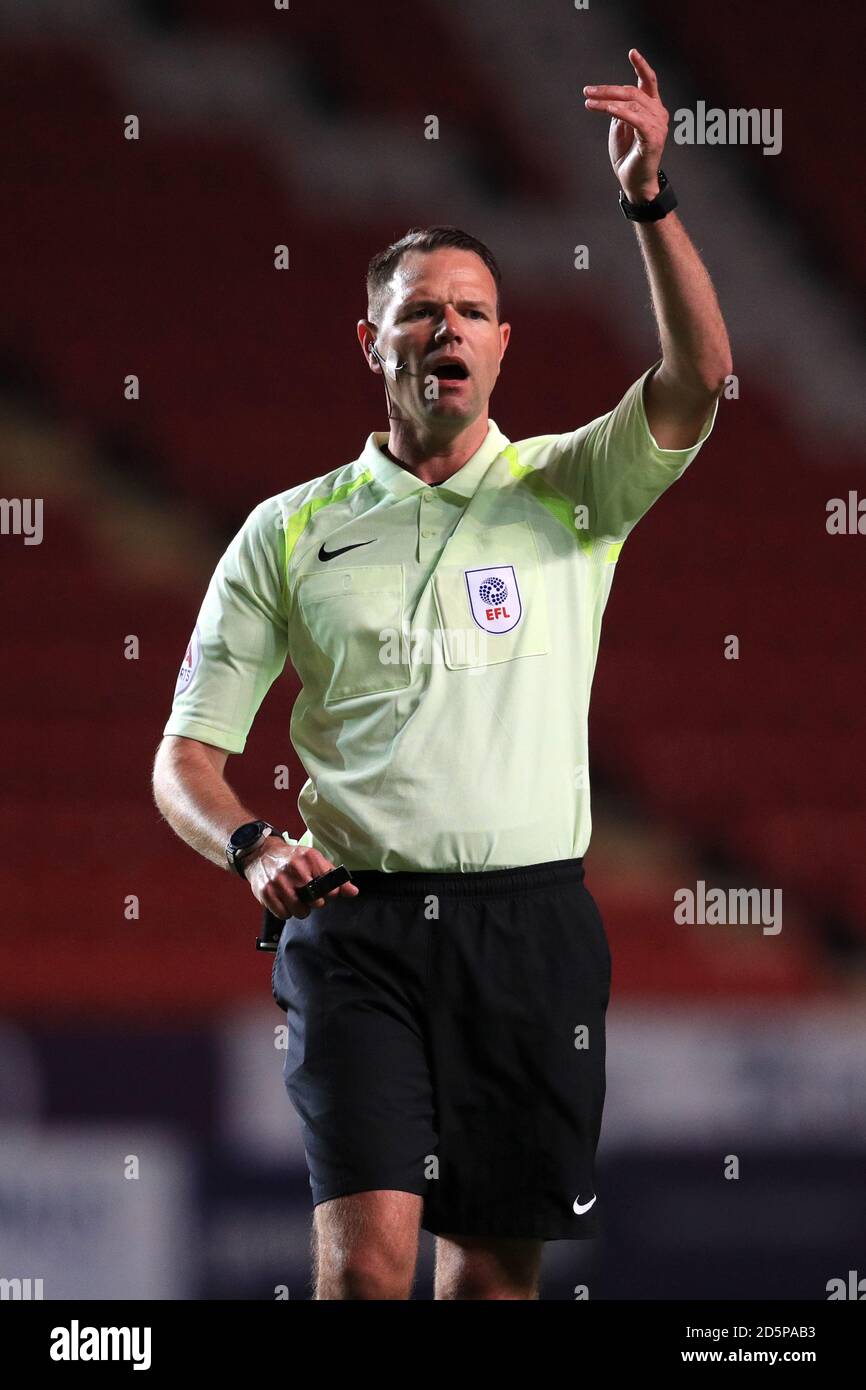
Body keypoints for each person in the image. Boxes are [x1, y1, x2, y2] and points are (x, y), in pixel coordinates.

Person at [152, 48, 731, 1299]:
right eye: (420, 310)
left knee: (492, 1279)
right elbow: (185, 754)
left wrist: (647, 199)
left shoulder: (569, 489)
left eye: (469, 310)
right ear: (373, 341)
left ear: (503, 343)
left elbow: (696, 380)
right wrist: (250, 843)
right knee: (366, 1269)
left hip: (530, 930)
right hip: (352, 928)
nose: (445, 330)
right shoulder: (290, 528)